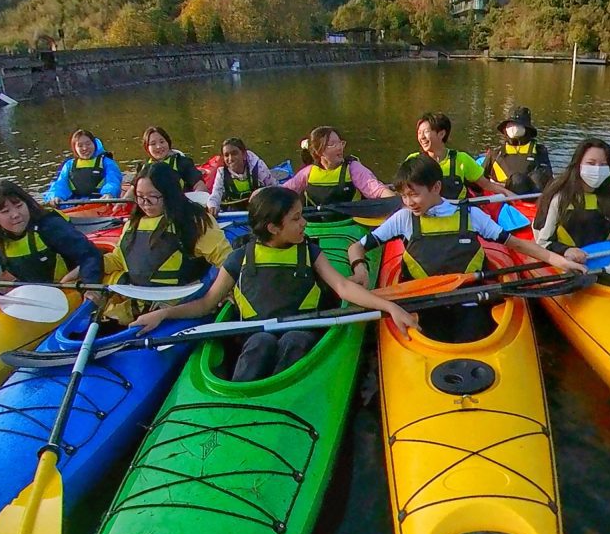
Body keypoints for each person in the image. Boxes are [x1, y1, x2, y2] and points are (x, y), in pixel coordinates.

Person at [133, 186, 417, 381]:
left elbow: (343, 288)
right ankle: (243, 399)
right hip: (254, 336)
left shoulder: (310, 252)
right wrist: (165, 313)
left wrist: (390, 308)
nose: (304, 223)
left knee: (293, 340)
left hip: (303, 332)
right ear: (273, 228)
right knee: (260, 343)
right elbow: (207, 303)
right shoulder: (240, 259)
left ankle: (282, 391)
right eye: (296, 219)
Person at [347, 155, 584, 342]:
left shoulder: (470, 215)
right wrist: (360, 268)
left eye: (414, 195)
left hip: (469, 298)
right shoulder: (404, 219)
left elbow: (518, 244)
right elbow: (356, 248)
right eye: (404, 196)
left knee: (471, 332)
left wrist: (560, 260)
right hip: (421, 302)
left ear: (436, 187)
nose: (408, 202)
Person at [110, 161, 232, 307]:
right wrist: (88, 266)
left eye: (152, 196)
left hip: (180, 301)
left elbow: (227, 259)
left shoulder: (193, 222)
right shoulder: (132, 224)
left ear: (169, 194)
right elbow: (118, 259)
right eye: (140, 196)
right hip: (137, 299)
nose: (145, 203)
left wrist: (225, 291)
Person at [0, 180, 105, 306]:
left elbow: (90, 255)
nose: (16, 214)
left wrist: (90, 285)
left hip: (69, 288)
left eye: (19, 206)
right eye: (5, 211)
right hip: (35, 297)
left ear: (27, 204)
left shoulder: (50, 227)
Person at [282, 126, 394, 205]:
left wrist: (397, 203)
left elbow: (378, 190)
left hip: (351, 224)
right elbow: (282, 192)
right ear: (318, 152)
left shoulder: (353, 169)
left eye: (340, 143)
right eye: (332, 144)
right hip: (316, 227)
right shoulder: (308, 172)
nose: (339, 147)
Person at [413, 112, 511, 199]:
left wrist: (511, 195)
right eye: (419, 133)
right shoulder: (414, 161)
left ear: (441, 134)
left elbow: (486, 185)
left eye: (426, 132)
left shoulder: (461, 159)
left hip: (457, 213)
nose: (421, 137)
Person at [483, 107, 552, 194]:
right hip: (504, 198)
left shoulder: (539, 151)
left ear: (526, 129)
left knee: (538, 177)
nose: (513, 127)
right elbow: (478, 180)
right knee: (518, 180)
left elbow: (549, 179)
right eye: (510, 124)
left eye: (516, 124)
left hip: (535, 199)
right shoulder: (495, 154)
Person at [43, 129, 122, 204]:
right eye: (80, 146)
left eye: (88, 144)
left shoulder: (106, 162)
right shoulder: (69, 165)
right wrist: (56, 196)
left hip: (101, 201)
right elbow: (60, 183)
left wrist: (109, 193)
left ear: (94, 144)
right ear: (75, 148)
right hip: (74, 203)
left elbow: (113, 180)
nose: (85, 148)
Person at [206, 137, 278, 215]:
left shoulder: (258, 166)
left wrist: (260, 192)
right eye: (226, 155)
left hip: (258, 207)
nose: (230, 159)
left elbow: (275, 188)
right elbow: (216, 194)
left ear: (244, 154)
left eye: (234, 153)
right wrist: (212, 206)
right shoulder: (222, 172)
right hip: (235, 211)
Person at [126, 126, 206, 195]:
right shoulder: (143, 167)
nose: (158, 146)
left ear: (168, 143)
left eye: (162, 142)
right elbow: (133, 189)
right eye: (153, 144)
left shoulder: (182, 163)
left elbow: (199, 184)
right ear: (147, 148)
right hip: (149, 206)